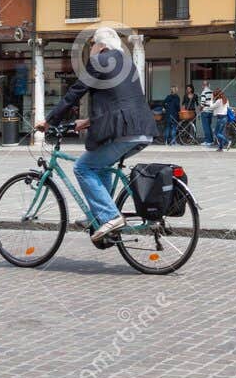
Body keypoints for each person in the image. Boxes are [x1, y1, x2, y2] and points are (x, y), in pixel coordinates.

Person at [38, 27, 156, 246]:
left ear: (101, 46)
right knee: (100, 166)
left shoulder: (100, 60)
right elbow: (120, 100)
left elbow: (75, 92)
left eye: (91, 44)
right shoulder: (128, 64)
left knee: (83, 168)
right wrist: (89, 122)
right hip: (143, 129)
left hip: (124, 132)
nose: (91, 48)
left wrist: (49, 121)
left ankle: (110, 217)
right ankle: (98, 216)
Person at [196, 82, 216, 148]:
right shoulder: (212, 92)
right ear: (209, 85)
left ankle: (208, 141)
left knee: (205, 127)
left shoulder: (203, 92)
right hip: (210, 111)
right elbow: (213, 101)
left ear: (204, 85)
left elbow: (202, 103)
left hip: (205, 111)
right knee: (209, 126)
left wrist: (199, 109)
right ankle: (211, 141)